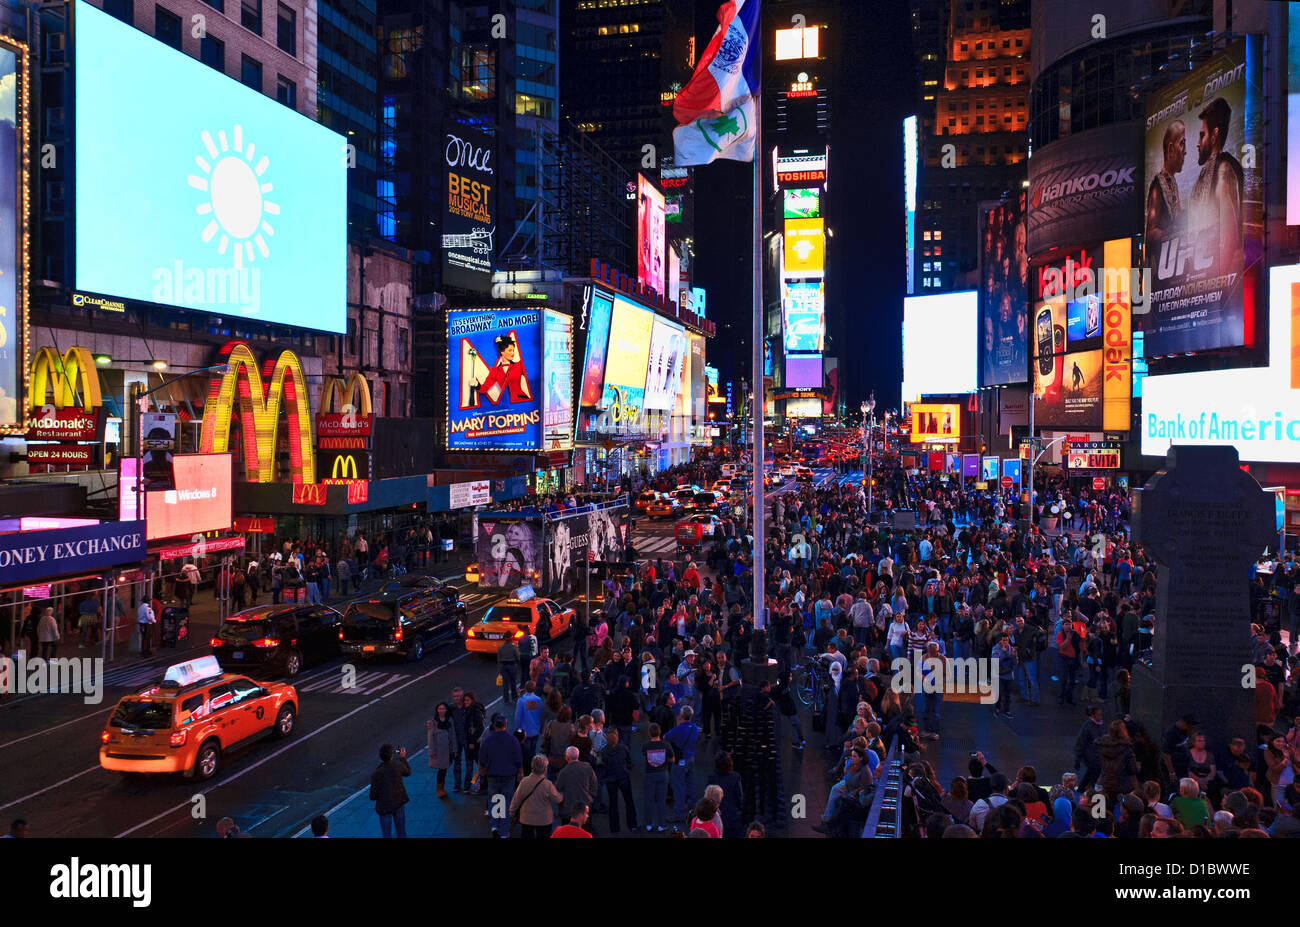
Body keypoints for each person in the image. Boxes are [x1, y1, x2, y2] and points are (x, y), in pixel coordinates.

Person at [479, 713, 524, 838]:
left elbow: (482, 759)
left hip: (492, 776)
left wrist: (482, 771)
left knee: (494, 800)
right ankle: (504, 832)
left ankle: (494, 826)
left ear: (494, 725)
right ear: (505, 725)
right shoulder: (513, 740)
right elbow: (518, 759)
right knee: (506, 803)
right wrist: (520, 772)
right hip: (508, 776)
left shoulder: (488, 741)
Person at [510, 755, 563, 839]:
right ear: (545, 769)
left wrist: (512, 813)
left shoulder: (524, 782)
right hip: (544, 819)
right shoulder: (547, 784)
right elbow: (557, 799)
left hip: (526, 818)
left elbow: (516, 799)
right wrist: (562, 795)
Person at [369, 743, 412, 838]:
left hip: (384, 806)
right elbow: (408, 771)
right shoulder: (397, 767)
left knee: (386, 834)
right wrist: (403, 758)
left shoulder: (376, 774)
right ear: (391, 756)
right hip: (398, 802)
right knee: (401, 831)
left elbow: (372, 796)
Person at [602, 727, 637, 833]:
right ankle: (632, 824)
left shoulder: (604, 752)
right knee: (629, 801)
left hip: (611, 779)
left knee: (613, 803)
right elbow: (629, 762)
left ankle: (614, 827)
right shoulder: (623, 748)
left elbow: (604, 764)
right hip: (623, 778)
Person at [642, 722, 676, 832]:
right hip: (662, 774)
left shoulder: (645, 746)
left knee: (649, 800)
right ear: (659, 732)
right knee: (661, 800)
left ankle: (649, 824)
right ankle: (662, 824)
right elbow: (672, 759)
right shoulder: (666, 745)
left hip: (649, 774)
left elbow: (644, 756)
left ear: (649, 733)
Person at [555, 745, 598, 826]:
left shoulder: (564, 772)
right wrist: (591, 798)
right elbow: (594, 784)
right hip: (585, 807)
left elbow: (557, 789)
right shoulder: (587, 767)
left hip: (568, 810)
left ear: (567, 758)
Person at [427, 703, 457, 799]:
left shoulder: (449, 720)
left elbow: (453, 735)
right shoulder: (433, 722)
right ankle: (439, 790)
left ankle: (442, 789)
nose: (441, 710)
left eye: (443, 709)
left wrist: (454, 749)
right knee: (441, 770)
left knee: (444, 770)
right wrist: (432, 752)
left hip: (448, 751)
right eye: (439, 709)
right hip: (439, 752)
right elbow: (430, 738)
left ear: (446, 710)